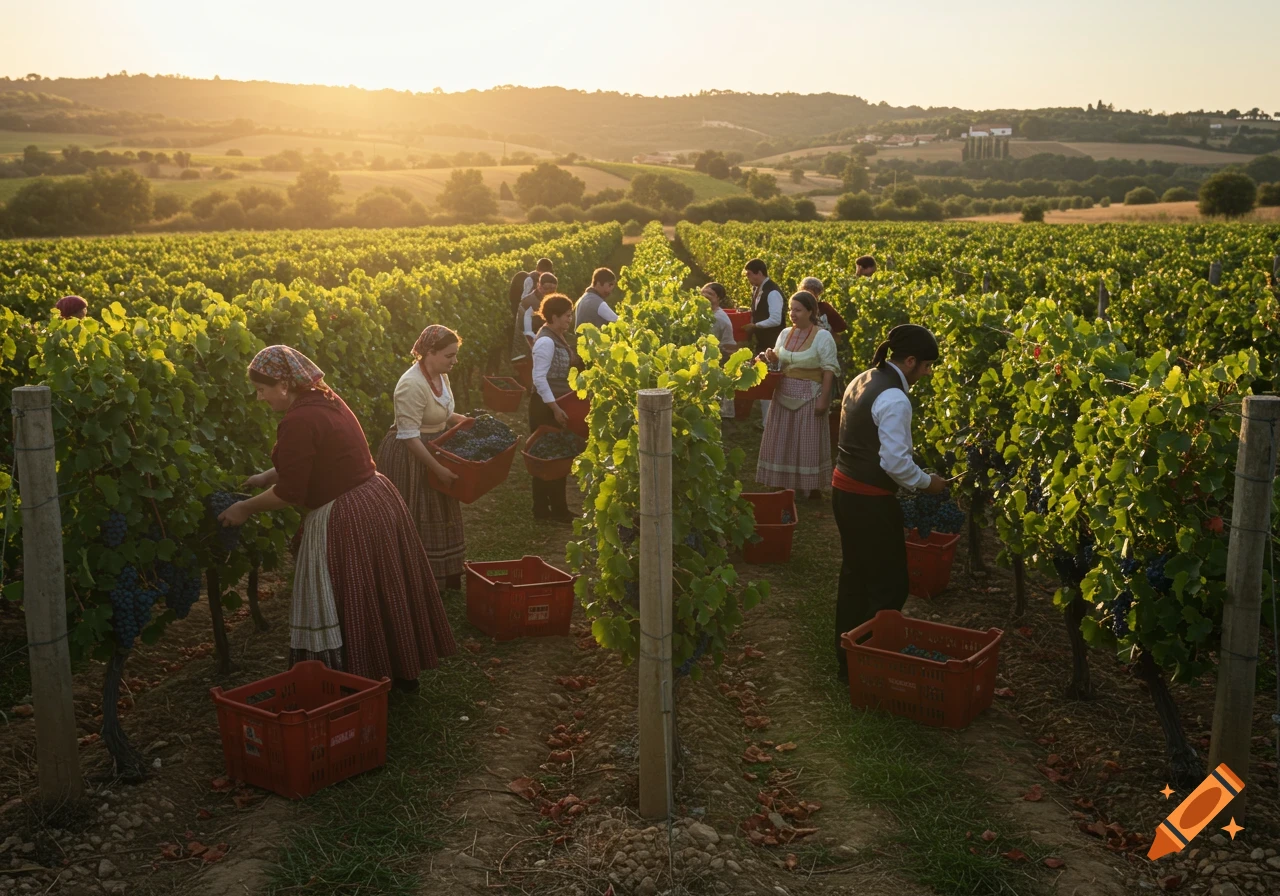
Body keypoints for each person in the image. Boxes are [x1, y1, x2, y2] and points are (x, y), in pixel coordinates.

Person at [217, 345, 456, 691]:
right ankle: (401, 673)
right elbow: (322, 450)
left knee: (353, 598)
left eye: (261, 390)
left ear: (283, 385)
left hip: (345, 514)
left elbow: (290, 494)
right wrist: (270, 474)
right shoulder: (324, 398)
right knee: (383, 590)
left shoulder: (297, 419)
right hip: (375, 499)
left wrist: (244, 508)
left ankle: (357, 682)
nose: (259, 398)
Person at [831, 325, 947, 682]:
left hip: (844, 490)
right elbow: (895, 463)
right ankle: (871, 665)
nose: (927, 373)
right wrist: (929, 484)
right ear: (909, 361)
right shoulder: (895, 398)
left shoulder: (864, 377)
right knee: (889, 585)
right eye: (926, 365)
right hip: (870, 500)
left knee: (855, 575)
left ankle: (847, 661)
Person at [376, 326, 472, 593]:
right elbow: (409, 436)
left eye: (455, 355)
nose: (454, 361)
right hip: (411, 454)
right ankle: (416, 581)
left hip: (436, 447)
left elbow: (444, 413)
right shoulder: (410, 385)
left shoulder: (440, 375)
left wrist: (465, 421)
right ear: (430, 353)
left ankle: (445, 576)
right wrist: (438, 468)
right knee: (418, 511)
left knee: (442, 511)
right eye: (449, 355)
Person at [755, 291, 839, 498]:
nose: (792, 313)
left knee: (806, 440)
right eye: (791, 309)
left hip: (809, 394)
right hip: (783, 393)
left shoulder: (823, 336)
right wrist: (770, 357)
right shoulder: (784, 334)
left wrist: (823, 399)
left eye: (798, 310)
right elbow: (779, 361)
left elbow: (829, 370)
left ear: (811, 311)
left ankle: (809, 487)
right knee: (783, 438)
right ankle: (782, 482)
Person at [529, 294, 580, 522]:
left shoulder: (558, 336)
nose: (570, 319)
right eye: (567, 315)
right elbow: (539, 379)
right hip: (545, 406)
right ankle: (544, 510)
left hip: (557, 403)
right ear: (554, 316)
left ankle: (555, 508)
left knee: (557, 457)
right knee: (546, 459)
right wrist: (556, 409)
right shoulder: (546, 341)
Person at [741, 259, 785, 426]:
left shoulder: (772, 292)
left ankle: (769, 423)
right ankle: (767, 421)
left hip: (772, 343)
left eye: (749, 275)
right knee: (763, 381)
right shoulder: (758, 289)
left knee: (768, 383)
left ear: (759, 273)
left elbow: (775, 319)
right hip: (763, 342)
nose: (748, 279)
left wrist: (754, 326)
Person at [702, 282, 737, 419]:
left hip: (717, 358)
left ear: (718, 299)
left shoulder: (718, 319)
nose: (705, 295)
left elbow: (727, 346)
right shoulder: (702, 312)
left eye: (710, 294)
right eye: (704, 291)